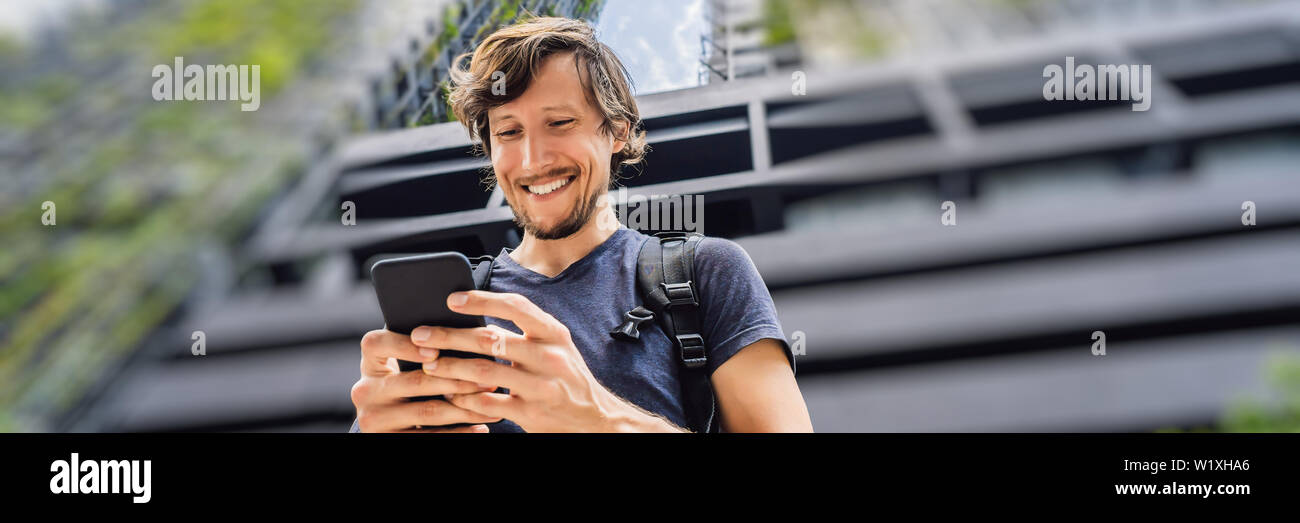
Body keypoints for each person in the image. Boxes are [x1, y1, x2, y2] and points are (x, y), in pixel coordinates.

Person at [348, 16, 812, 432]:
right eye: (509, 132)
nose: (533, 160)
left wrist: (599, 418)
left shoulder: (704, 273)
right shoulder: (450, 311)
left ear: (617, 131)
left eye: (561, 122)